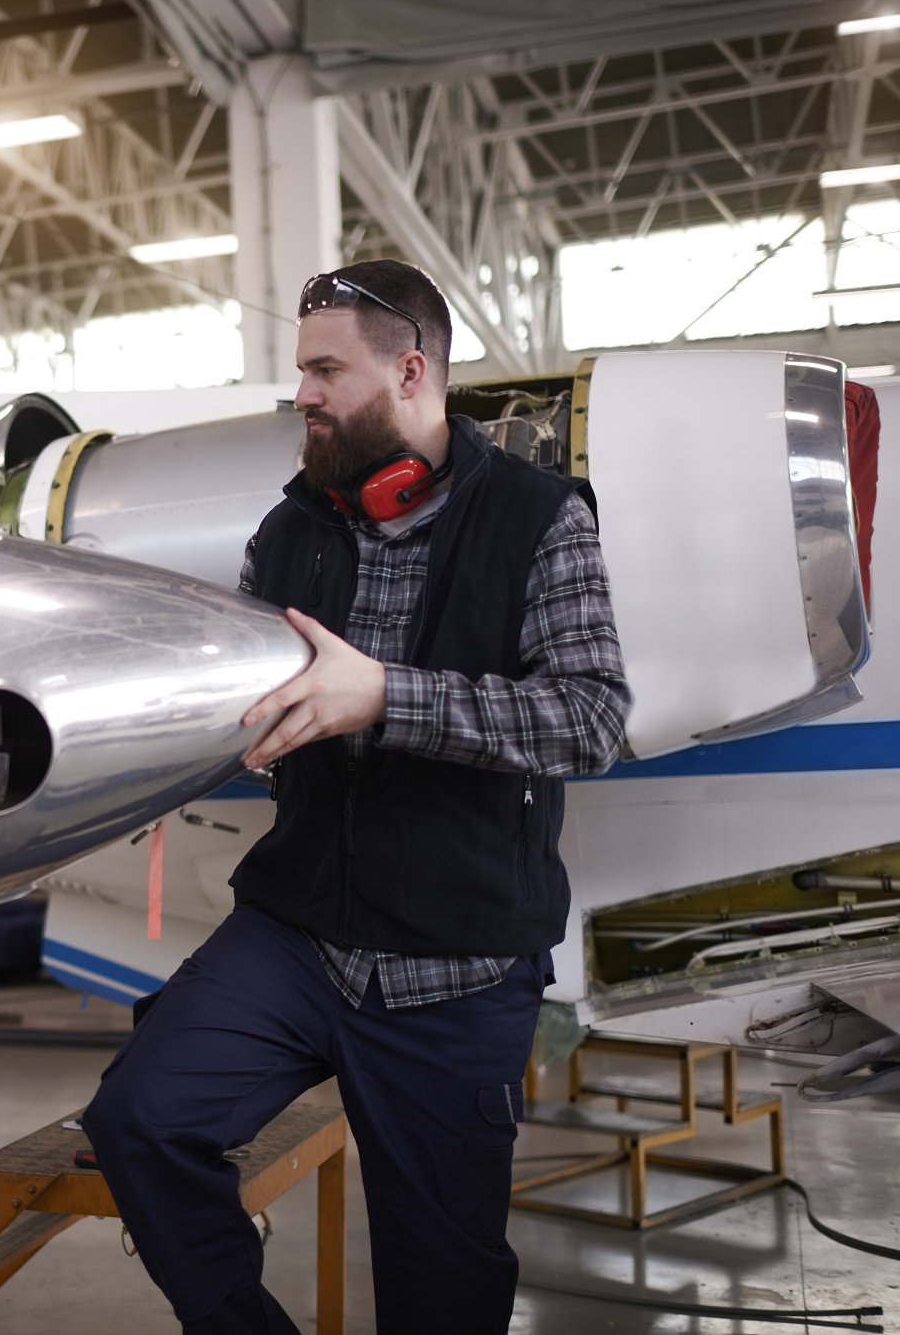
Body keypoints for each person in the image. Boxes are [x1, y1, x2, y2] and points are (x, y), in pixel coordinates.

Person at [82, 260, 631, 1334]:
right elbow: (241, 686)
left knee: (441, 1287)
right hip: (298, 935)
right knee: (139, 1123)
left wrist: (380, 696)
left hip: (455, 965)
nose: (302, 394)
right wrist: (170, 746)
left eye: (325, 369)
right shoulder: (287, 531)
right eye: (301, 370)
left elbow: (587, 718)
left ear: (411, 370)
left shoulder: (541, 521)